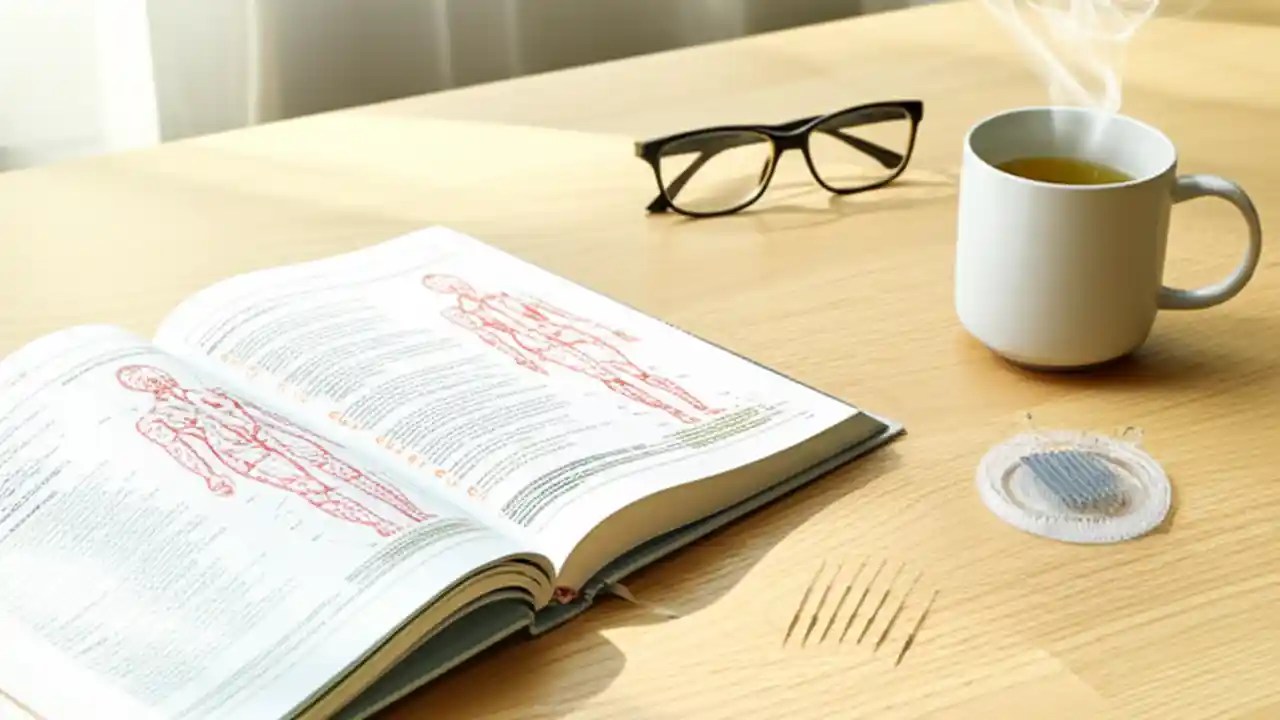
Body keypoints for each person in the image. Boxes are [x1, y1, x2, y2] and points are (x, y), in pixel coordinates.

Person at [117, 364, 429, 537]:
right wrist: (211, 475)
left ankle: (414, 513)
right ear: (139, 388)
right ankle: (382, 525)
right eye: (140, 380)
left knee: (348, 472)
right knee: (314, 489)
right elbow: (181, 449)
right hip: (245, 454)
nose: (151, 377)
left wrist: (303, 432)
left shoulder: (209, 390)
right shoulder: (157, 418)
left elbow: (264, 414)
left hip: (273, 436)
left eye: (148, 372)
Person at [422, 274, 718, 424]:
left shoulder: (501, 292)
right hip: (542, 346)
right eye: (441, 286)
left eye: (446, 280)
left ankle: (700, 407)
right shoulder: (465, 311)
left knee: (638, 373)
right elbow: (495, 338)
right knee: (611, 379)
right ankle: (675, 412)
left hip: (566, 334)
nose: (450, 286)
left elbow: (559, 313)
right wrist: (522, 357)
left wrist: (607, 330)